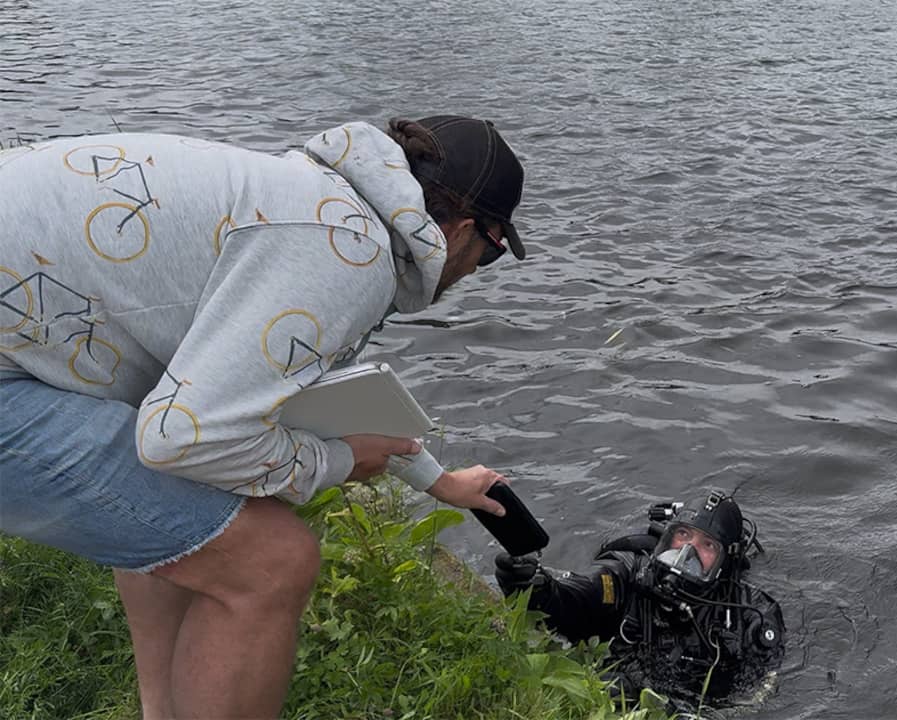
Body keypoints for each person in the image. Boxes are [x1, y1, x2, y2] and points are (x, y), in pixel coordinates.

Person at [0, 114, 527, 718]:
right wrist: (337, 461)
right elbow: (179, 442)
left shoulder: (323, 204)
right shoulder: (347, 253)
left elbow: (302, 387)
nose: (473, 274)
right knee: (270, 560)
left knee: (187, 513)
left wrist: (439, 481)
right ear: (462, 230)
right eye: (489, 256)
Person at [494, 489, 786, 712]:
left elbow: (763, 696)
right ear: (667, 536)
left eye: (707, 545)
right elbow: (579, 595)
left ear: (726, 562)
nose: (687, 552)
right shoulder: (629, 572)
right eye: (683, 535)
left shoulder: (752, 616)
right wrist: (537, 587)